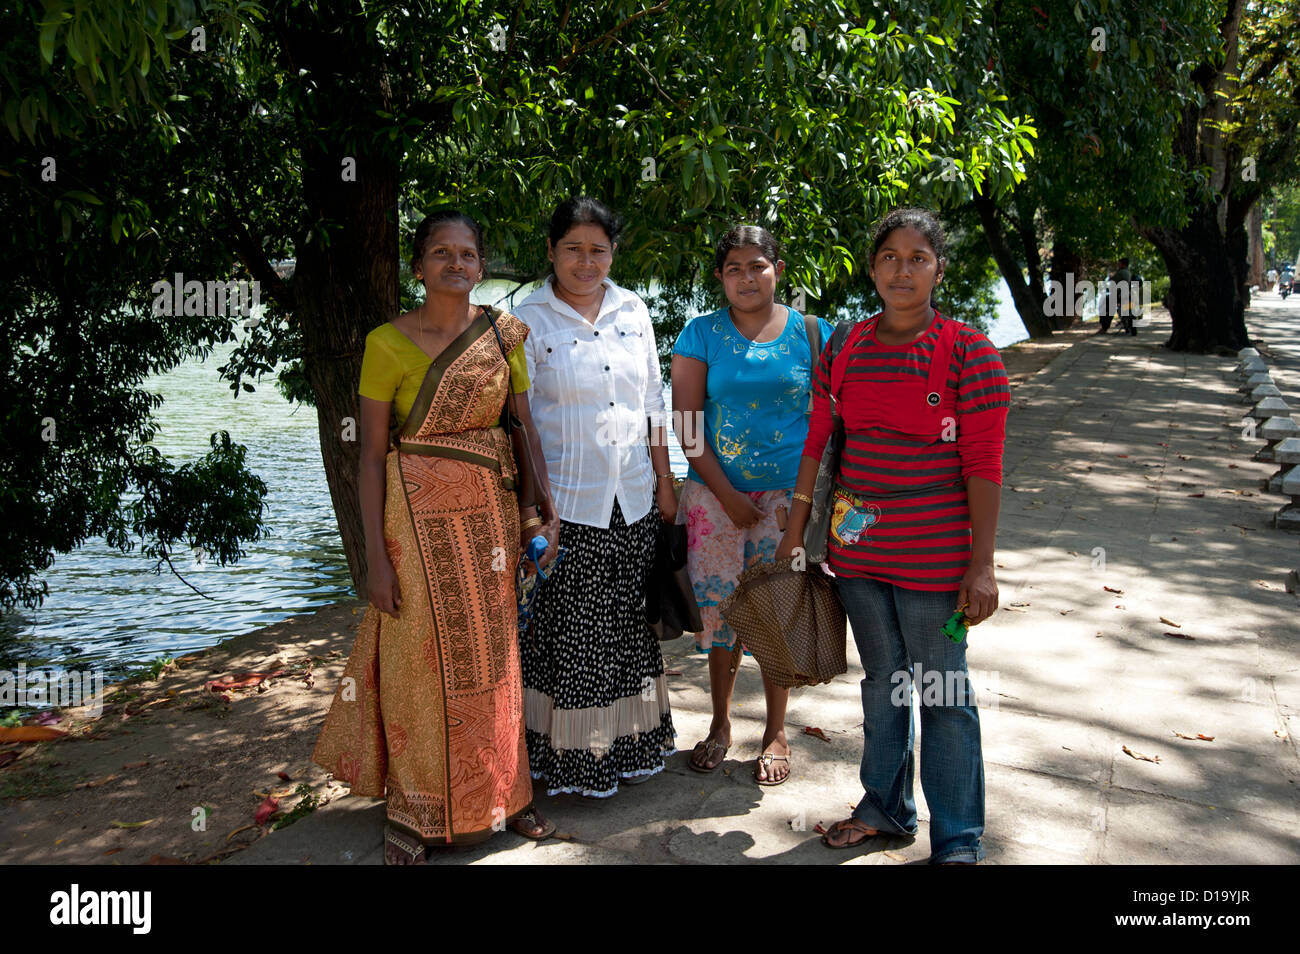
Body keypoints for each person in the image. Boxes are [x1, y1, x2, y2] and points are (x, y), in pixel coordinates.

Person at [312, 210, 557, 864]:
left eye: (468, 254)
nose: (456, 264)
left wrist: (541, 513)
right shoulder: (385, 343)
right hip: (412, 525)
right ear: (417, 266)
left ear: (481, 265)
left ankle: (509, 795)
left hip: (490, 520)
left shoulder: (504, 336)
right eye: (441, 254)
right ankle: (412, 814)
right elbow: (368, 457)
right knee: (419, 666)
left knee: (494, 659)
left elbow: (523, 428)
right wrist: (374, 561)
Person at [776, 207, 1010, 864]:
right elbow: (818, 443)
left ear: (938, 267)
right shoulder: (844, 347)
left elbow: (982, 467)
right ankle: (886, 806)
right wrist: (796, 534)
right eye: (889, 258)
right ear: (872, 268)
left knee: (943, 694)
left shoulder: (971, 353)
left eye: (918, 258)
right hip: (856, 555)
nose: (902, 271)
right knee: (883, 684)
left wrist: (983, 567)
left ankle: (958, 839)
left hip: (935, 563)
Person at [513, 196, 677, 797]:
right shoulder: (528, 320)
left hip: (632, 498)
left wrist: (665, 480)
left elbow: (655, 405)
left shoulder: (634, 310)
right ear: (551, 251)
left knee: (626, 626)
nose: (586, 261)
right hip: (568, 506)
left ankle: (632, 746)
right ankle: (572, 763)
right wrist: (535, 509)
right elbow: (522, 424)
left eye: (598, 250)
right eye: (573, 249)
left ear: (614, 253)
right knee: (572, 632)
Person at [670, 225, 833, 784]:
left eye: (758, 265)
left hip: (790, 500)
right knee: (718, 615)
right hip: (714, 500)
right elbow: (687, 427)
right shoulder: (700, 335)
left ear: (778, 270)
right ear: (720, 277)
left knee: (778, 611)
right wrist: (728, 496)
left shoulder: (812, 334)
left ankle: (776, 731)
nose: (746, 277)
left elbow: (830, 421)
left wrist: (805, 505)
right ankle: (719, 725)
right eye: (734, 267)